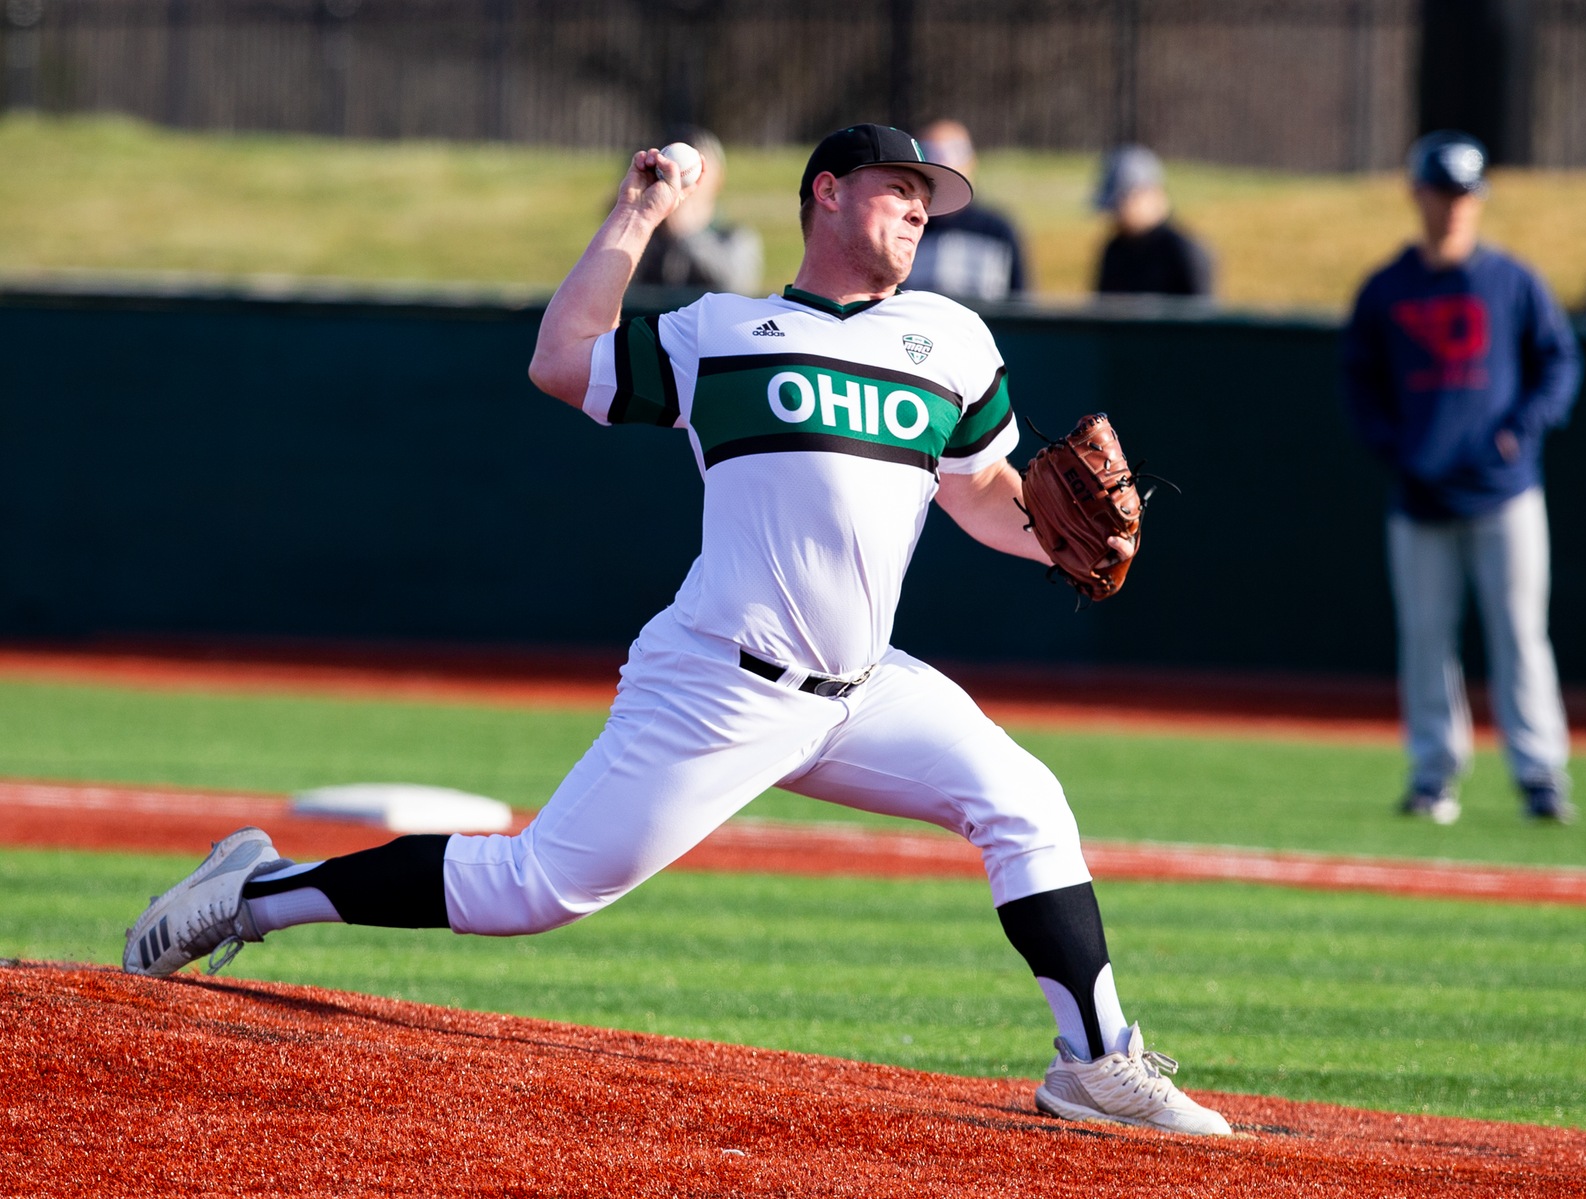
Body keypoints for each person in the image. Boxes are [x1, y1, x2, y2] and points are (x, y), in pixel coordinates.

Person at [123, 123, 1232, 1138]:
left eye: (927, 201)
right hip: (721, 682)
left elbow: (982, 483)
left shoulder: (947, 337)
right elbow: (563, 361)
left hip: (864, 688)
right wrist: (638, 211)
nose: (918, 213)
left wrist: (1056, 538)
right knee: (529, 890)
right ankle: (253, 891)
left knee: (1026, 797)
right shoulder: (722, 332)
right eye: (898, 191)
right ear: (827, 194)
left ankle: (1094, 1061)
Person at [1341, 130, 1583, 826]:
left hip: (1504, 492)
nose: (1454, 208)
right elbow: (1358, 380)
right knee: (1425, 637)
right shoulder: (1388, 289)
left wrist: (1521, 429)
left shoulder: (1511, 280)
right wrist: (1390, 443)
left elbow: (1558, 361)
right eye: (1443, 192)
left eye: (1466, 195)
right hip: (1420, 496)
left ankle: (1540, 774)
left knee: (1519, 631)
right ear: (1418, 194)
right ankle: (1432, 773)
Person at [900, 119, 1030, 301]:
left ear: (972, 160)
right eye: (931, 153)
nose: (944, 163)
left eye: (954, 152)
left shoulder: (998, 228)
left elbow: (1019, 299)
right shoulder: (906, 226)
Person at [634, 126, 763, 295]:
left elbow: (736, 286)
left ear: (719, 178)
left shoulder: (735, 237)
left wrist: (687, 233)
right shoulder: (647, 235)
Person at [1093, 144, 1212, 297]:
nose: (1116, 216)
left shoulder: (1184, 252)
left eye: (1123, 202)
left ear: (1152, 193)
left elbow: (1201, 316)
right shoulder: (1115, 251)